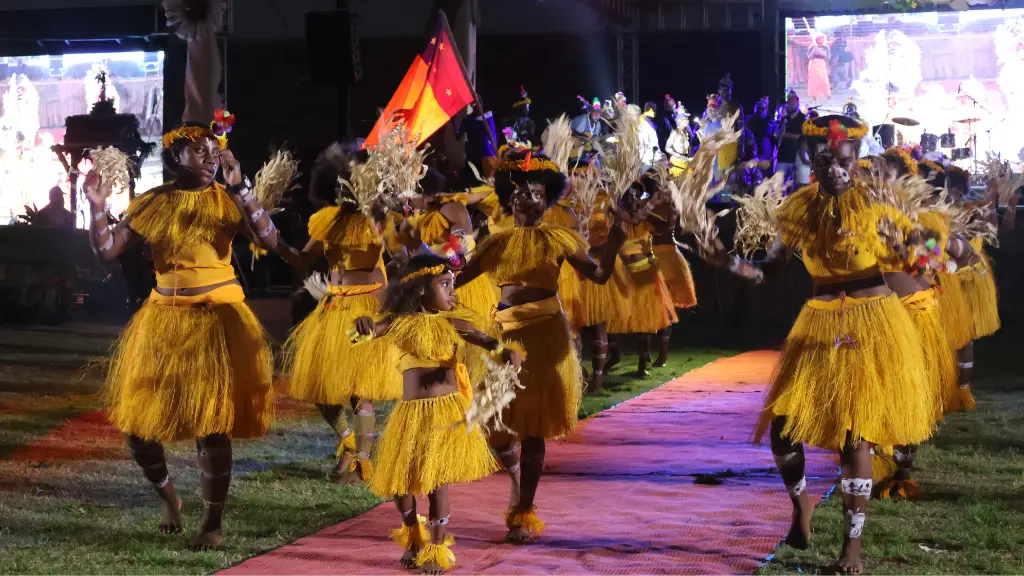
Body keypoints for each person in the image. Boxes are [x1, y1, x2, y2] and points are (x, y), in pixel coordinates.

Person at [697, 115, 934, 574]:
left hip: (872, 324)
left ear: (856, 154)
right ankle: (801, 505)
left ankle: (852, 547)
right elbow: (769, 271)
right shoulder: (798, 209)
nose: (832, 163)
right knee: (783, 427)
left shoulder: (880, 203)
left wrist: (918, 250)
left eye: (841, 154)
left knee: (853, 435)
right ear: (809, 156)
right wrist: (727, 263)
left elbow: (918, 255)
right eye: (822, 156)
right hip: (819, 322)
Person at [85, 117, 277, 550]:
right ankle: (169, 497)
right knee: (139, 426)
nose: (209, 156)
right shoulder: (154, 203)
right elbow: (107, 251)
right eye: (199, 149)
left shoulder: (229, 201)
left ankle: (212, 524)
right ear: (176, 156)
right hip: (164, 321)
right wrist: (96, 206)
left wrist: (242, 188)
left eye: (214, 148)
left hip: (218, 321)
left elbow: (270, 239)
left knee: (212, 426)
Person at [455, 151, 628, 543]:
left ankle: (522, 511)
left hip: (546, 337)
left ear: (546, 199)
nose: (529, 198)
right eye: (521, 192)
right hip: (502, 338)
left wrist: (615, 244)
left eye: (536, 192)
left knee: (533, 428)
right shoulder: (495, 243)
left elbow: (599, 275)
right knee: (495, 423)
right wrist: (433, 262)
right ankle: (515, 476)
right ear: (509, 200)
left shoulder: (559, 239)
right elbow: (456, 278)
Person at [355, 252, 523, 574]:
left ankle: (435, 548)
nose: (453, 292)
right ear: (421, 289)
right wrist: (360, 325)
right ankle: (413, 535)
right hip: (410, 413)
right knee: (400, 484)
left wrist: (507, 353)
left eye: (453, 285)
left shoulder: (454, 322)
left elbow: (487, 341)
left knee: (436, 482)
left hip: (444, 414)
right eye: (445, 284)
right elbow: (361, 334)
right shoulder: (398, 323)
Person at [271, 144, 402, 484]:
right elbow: (301, 259)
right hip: (334, 307)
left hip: (365, 310)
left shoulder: (379, 219)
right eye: (341, 179)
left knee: (361, 391)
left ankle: (362, 463)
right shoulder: (328, 220)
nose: (346, 184)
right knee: (322, 390)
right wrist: (271, 240)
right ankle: (348, 442)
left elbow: (402, 257)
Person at [608, 177, 678, 377]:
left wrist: (674, 206)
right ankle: (614, 355)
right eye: (629, 196)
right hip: (620, 274)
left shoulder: (647, 217)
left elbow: (666, 227)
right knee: (609, 317)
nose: (634, 199)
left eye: (637, 196)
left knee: (645, 321)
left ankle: (642, 363)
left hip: (645, 272)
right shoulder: (617, 215)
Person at [776, 91, 806, 188]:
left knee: (796, 188)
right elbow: (779, 136)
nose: (789, 106)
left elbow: (803, 136)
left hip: (797, 158)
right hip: (782, 157)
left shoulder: (803, 119)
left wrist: (788, 135)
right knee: (777, 187)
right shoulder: (784, 119)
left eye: (791, 104)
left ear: (797, 105)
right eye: (788, 104)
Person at [807, 33, 832, 104]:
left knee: (824, 80)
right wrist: (814, 50)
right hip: (813, 65)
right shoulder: (812, 47)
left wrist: (823, 54)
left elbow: (828, 57)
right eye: (820, 38)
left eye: (822, 38)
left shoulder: (826, 47)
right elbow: (809, 57)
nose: (821, 40)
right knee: (813, 81)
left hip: (821, 64)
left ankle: (829, 98)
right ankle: (814, 99)